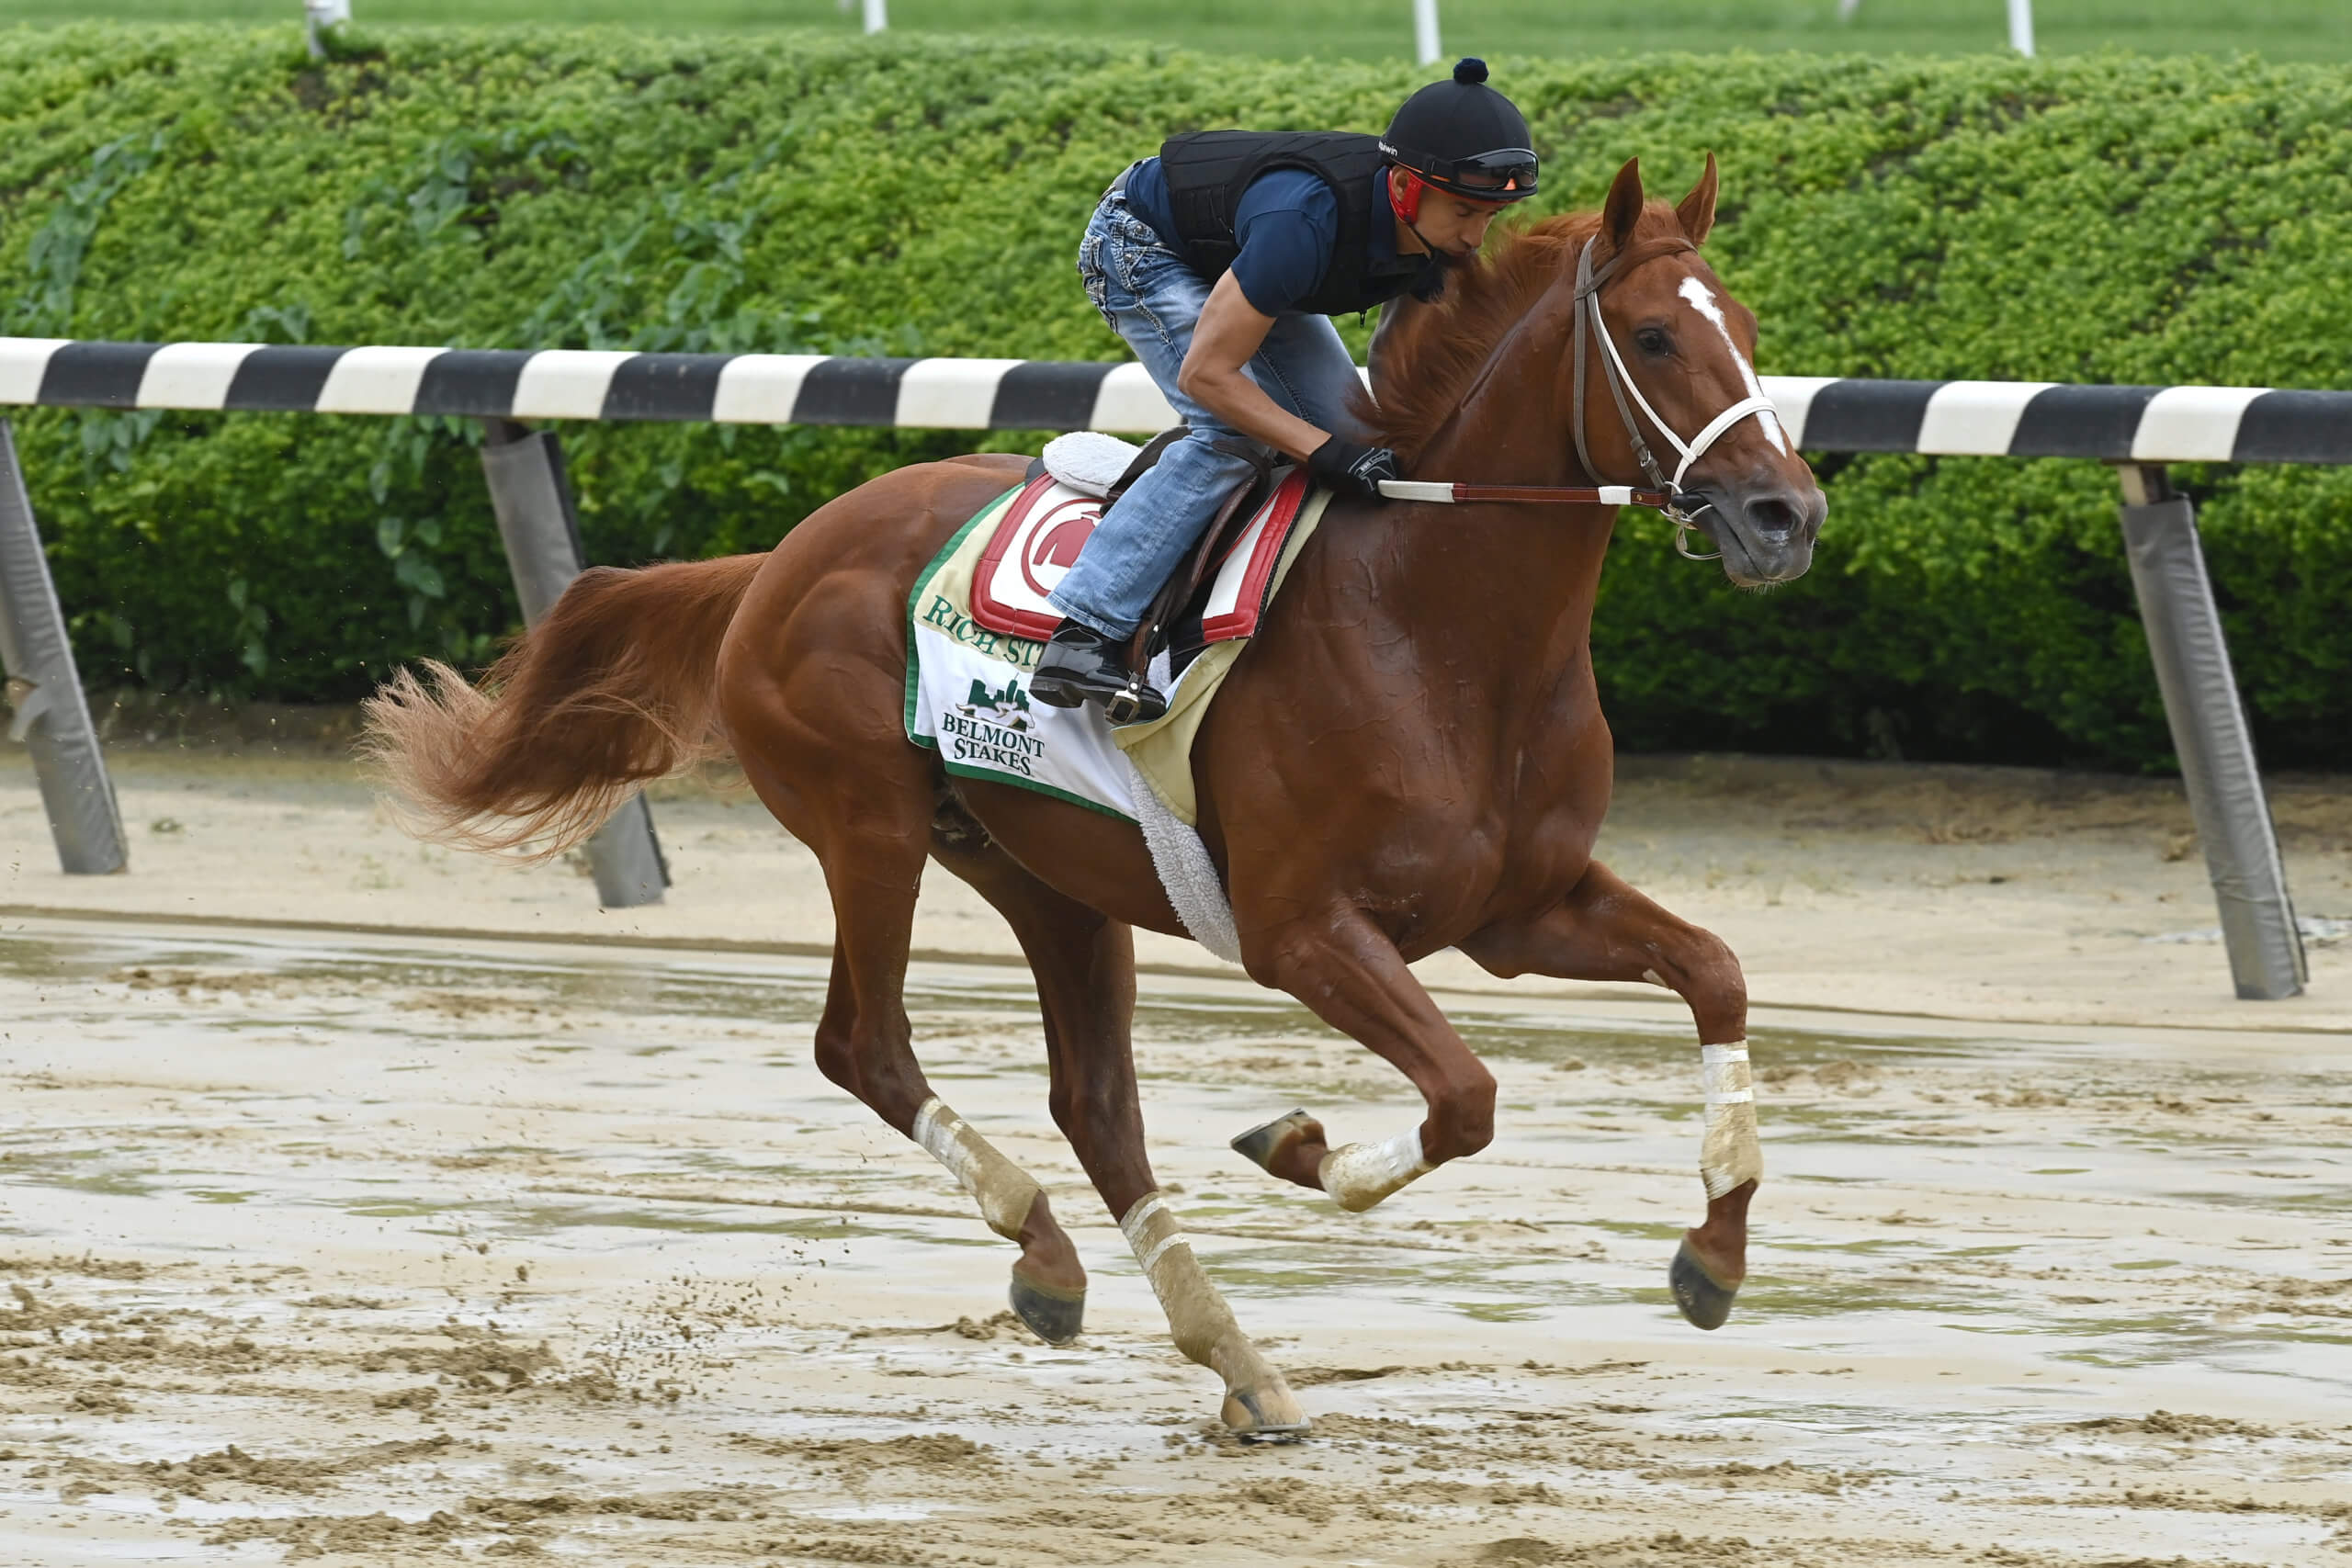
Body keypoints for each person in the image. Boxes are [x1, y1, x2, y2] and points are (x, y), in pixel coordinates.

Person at [1029, 57, 1541, 722]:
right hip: (1144, 246)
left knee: (1355, 437)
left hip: (1252, 273)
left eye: (1494, 215)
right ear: (1407, 191)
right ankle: (1084, 633)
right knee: (1234, 432)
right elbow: (1206, 377)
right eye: (1468, 211)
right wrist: (1320, 450)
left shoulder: (1433, 234)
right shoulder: (1305, 223)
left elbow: (1396, 370)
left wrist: (1369, 446)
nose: (1476, 238)